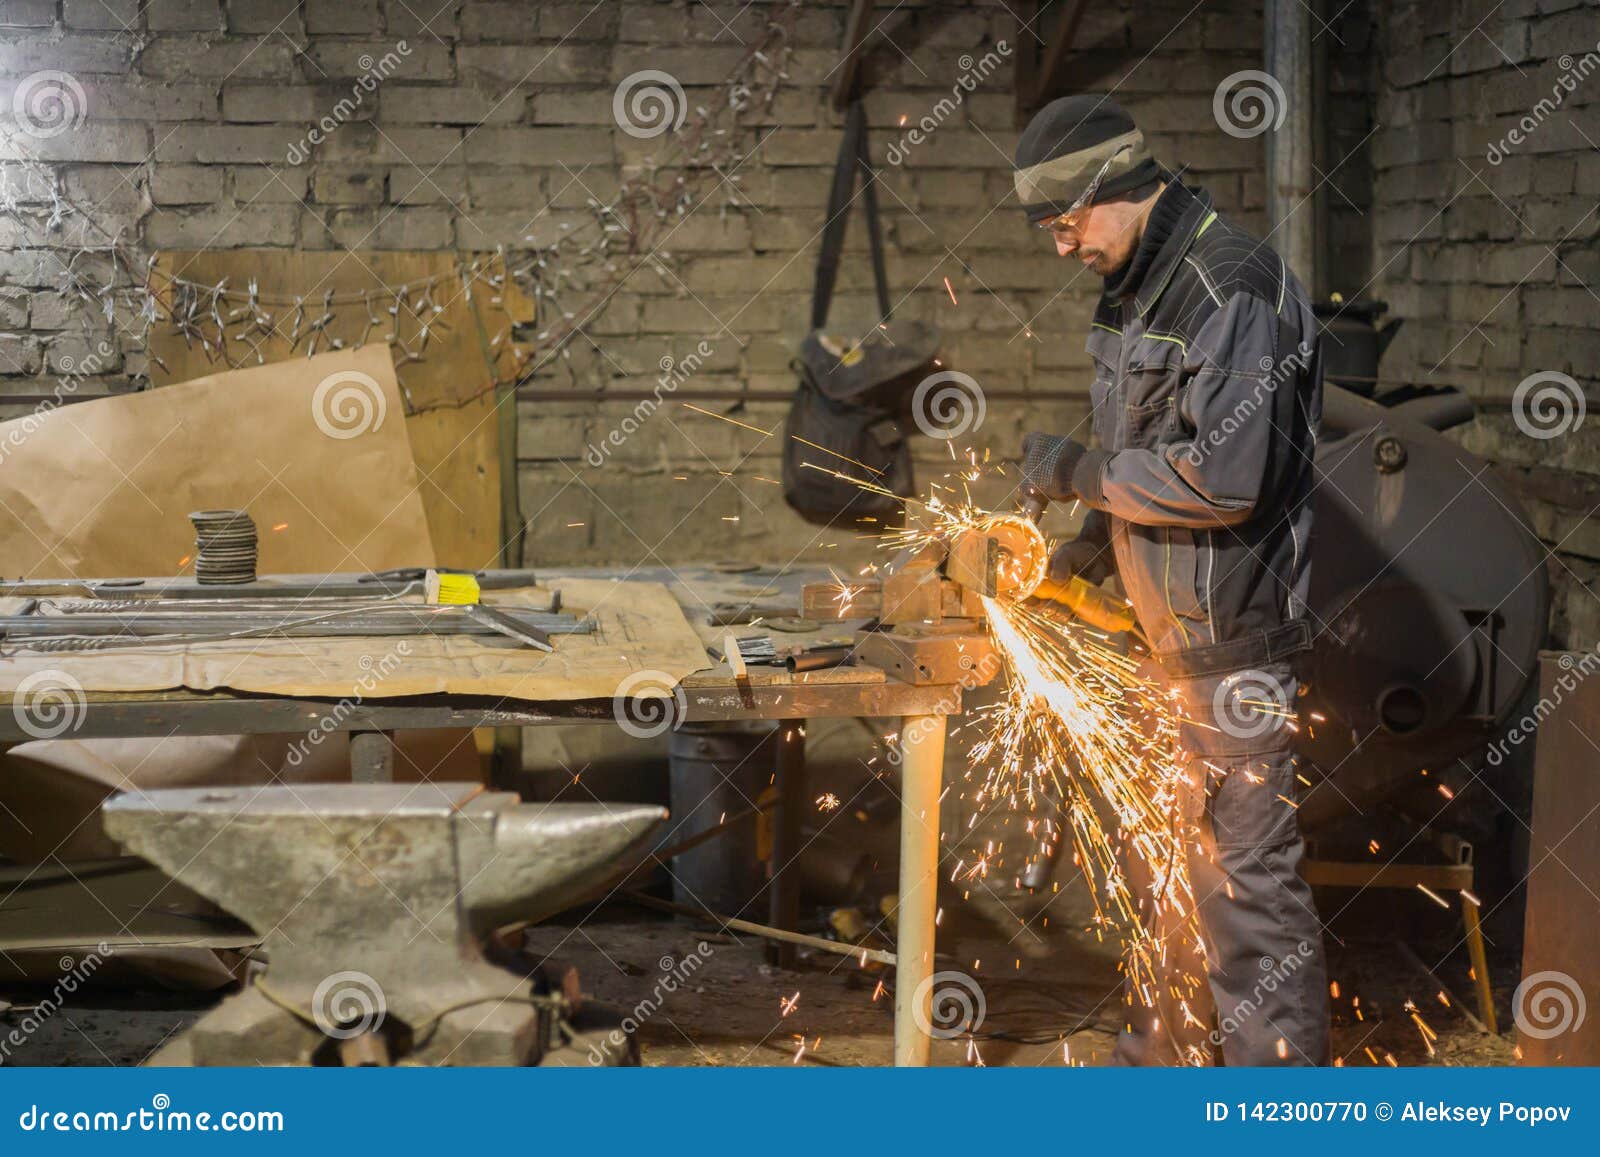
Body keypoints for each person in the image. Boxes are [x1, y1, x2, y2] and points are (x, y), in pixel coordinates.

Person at [1013, 94, 1329, 1066]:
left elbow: (1219, 479)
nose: (1063, 249)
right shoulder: (1133, 290)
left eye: (1066, 224)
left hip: (1231, 648)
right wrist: (1086, 546)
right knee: (1161, 872)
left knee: (1245, 889)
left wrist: (1077, 473)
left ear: (1113, 190)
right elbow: (1145, 448)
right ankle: (1162, 1072)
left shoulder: (1228, 286)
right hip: (1163, 637)